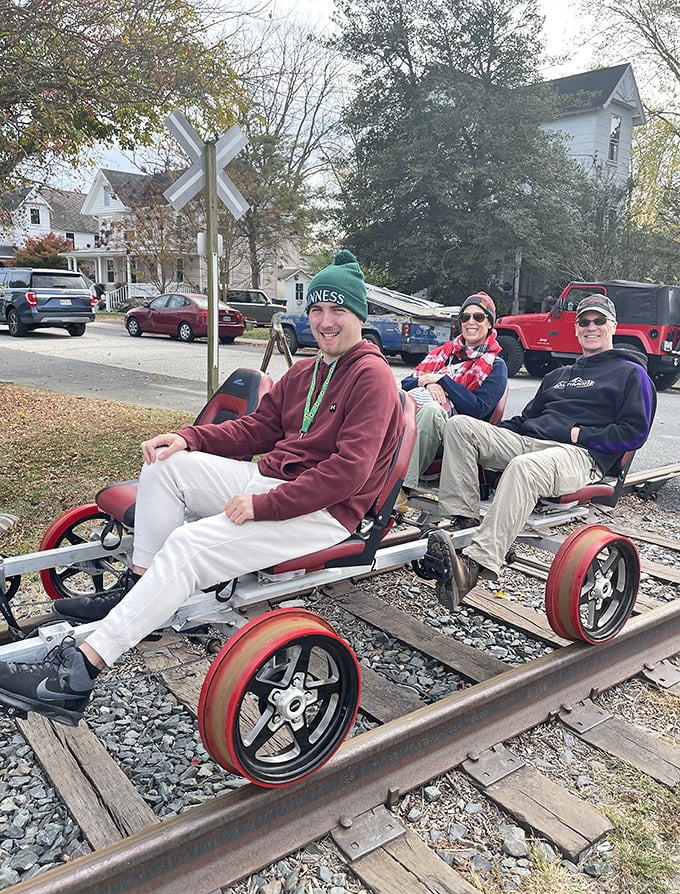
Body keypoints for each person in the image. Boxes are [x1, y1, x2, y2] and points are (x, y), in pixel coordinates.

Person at [0, 251, 406, 726]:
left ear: (359, 315)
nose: (325, 321)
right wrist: (188, 438)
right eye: (316, 309)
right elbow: (257, 429)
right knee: (166, 465)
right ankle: (141, 586)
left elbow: (348, 473)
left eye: (338, 310)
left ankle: (75, 676)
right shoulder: (307, 370)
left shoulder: (372, 376)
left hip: (325, 512)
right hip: (276, 482)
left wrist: (263, 505)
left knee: (189, 543)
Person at [425, 293, 656, 609]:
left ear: (613, 326)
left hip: (578, 454)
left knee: (524, 466)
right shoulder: (557, 376)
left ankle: (473, 566)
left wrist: (580, 434)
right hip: (530, 442)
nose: (591, 327)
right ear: (576, 328)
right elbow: (525, 420)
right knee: (460, 426)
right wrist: (493, 432)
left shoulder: (631, 374)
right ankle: (464, 523)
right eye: (584, 322)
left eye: (599, 320)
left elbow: (634, 433)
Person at [399, 292, 507, 493]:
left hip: (453, 434)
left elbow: (478, 409)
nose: (471, 322)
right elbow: (405, 384)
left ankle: (399, 489)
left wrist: (443, 381)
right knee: (388, 398)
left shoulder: (496, 365)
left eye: (478, 317)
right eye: (465, 317)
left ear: (490, 324)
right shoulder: (442, 353)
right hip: (414, 418)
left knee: (431, 412)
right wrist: (428, 383)